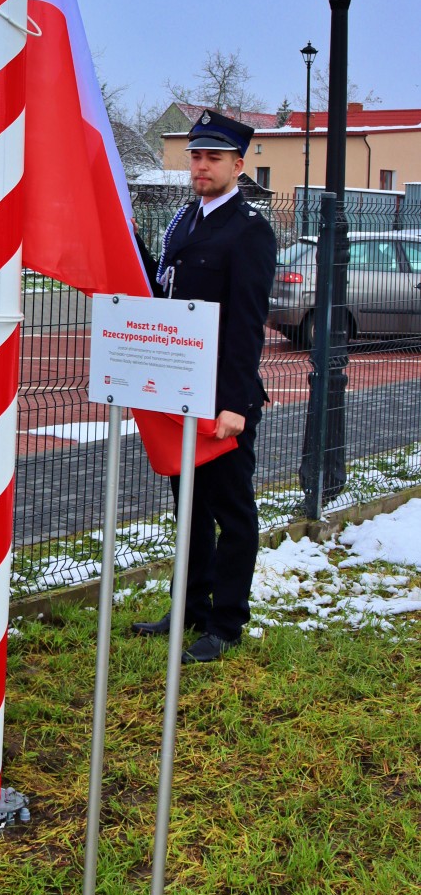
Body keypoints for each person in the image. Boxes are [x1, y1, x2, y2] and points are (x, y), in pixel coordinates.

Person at [132, 108, 277, 664]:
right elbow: (165, 289)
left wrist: (235, 404)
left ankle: (226, 622)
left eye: (213, 157)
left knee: (232, 512)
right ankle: (190, 606)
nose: (201, 165)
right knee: (187, 507)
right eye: (195, 155)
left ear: (238, 165)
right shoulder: (185, 221)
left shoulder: (249, 231)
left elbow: (245, 324)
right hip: (179, 392)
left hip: (220, 399)